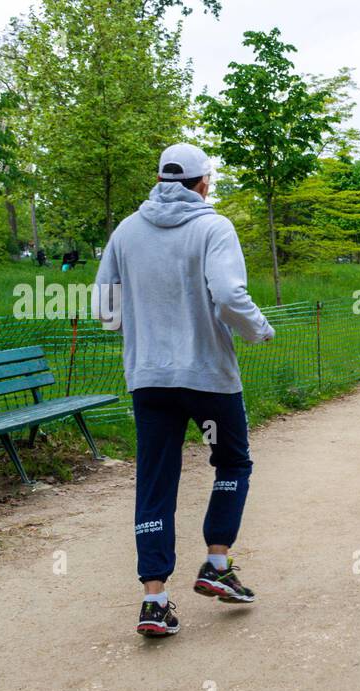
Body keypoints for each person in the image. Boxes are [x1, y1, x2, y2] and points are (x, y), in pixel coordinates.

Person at [93, 143, 275, 638]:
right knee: (232, 463)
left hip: (149, 378)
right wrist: (258, 329)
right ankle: (217, 564)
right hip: (208, 376)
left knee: (155, 481)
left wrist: (140, 322)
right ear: (203, 183)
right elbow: (230, 294)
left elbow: (105, 310)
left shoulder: (126, 231)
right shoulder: (214, 228)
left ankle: (154, 600)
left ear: (159, 180)